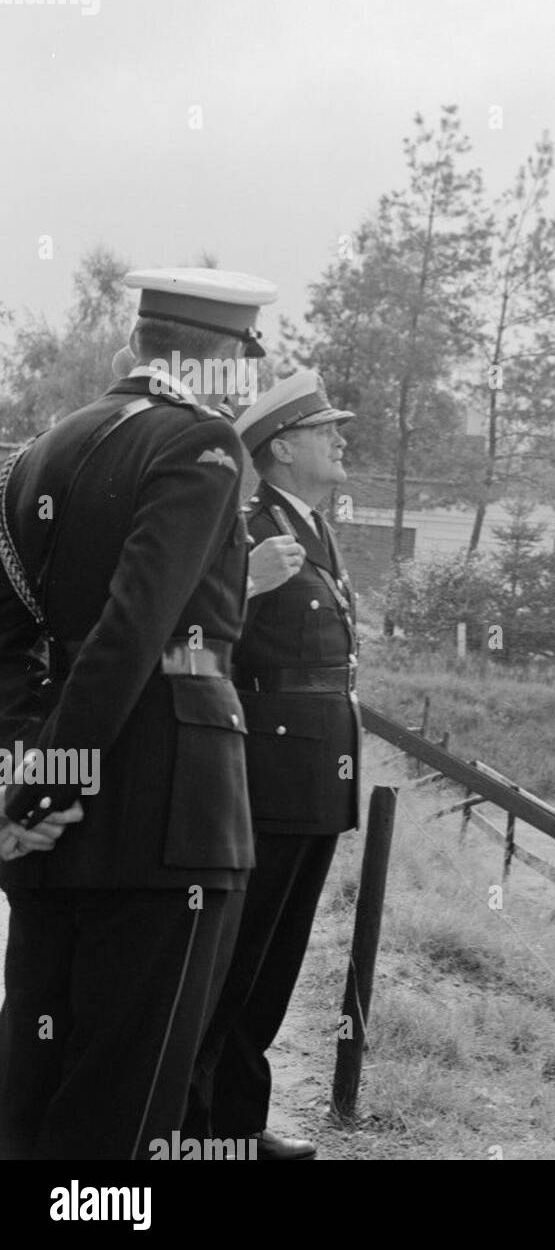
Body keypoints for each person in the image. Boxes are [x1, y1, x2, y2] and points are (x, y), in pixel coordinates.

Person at [0, 266, 275, 1159]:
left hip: (51, 822)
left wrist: (23, 779)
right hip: (166, 814)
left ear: (140, 344)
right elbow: (135, 628)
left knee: (32, 1076)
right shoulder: (201, 445)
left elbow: (9, 641)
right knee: (128, 1096)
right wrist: (48, 783)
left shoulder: (43, 449)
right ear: (227, 362)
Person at [184, 370, 359, 1161]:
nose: (341, 441)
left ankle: (238, 1128)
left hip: (318, 771)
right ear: (282, 448)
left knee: (276, 964)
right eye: (326, 431)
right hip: (270, 771)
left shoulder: (314, 527)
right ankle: (195, 1130)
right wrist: (246, 587)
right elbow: (200, 637)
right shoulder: (249, 530)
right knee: (236, 960)